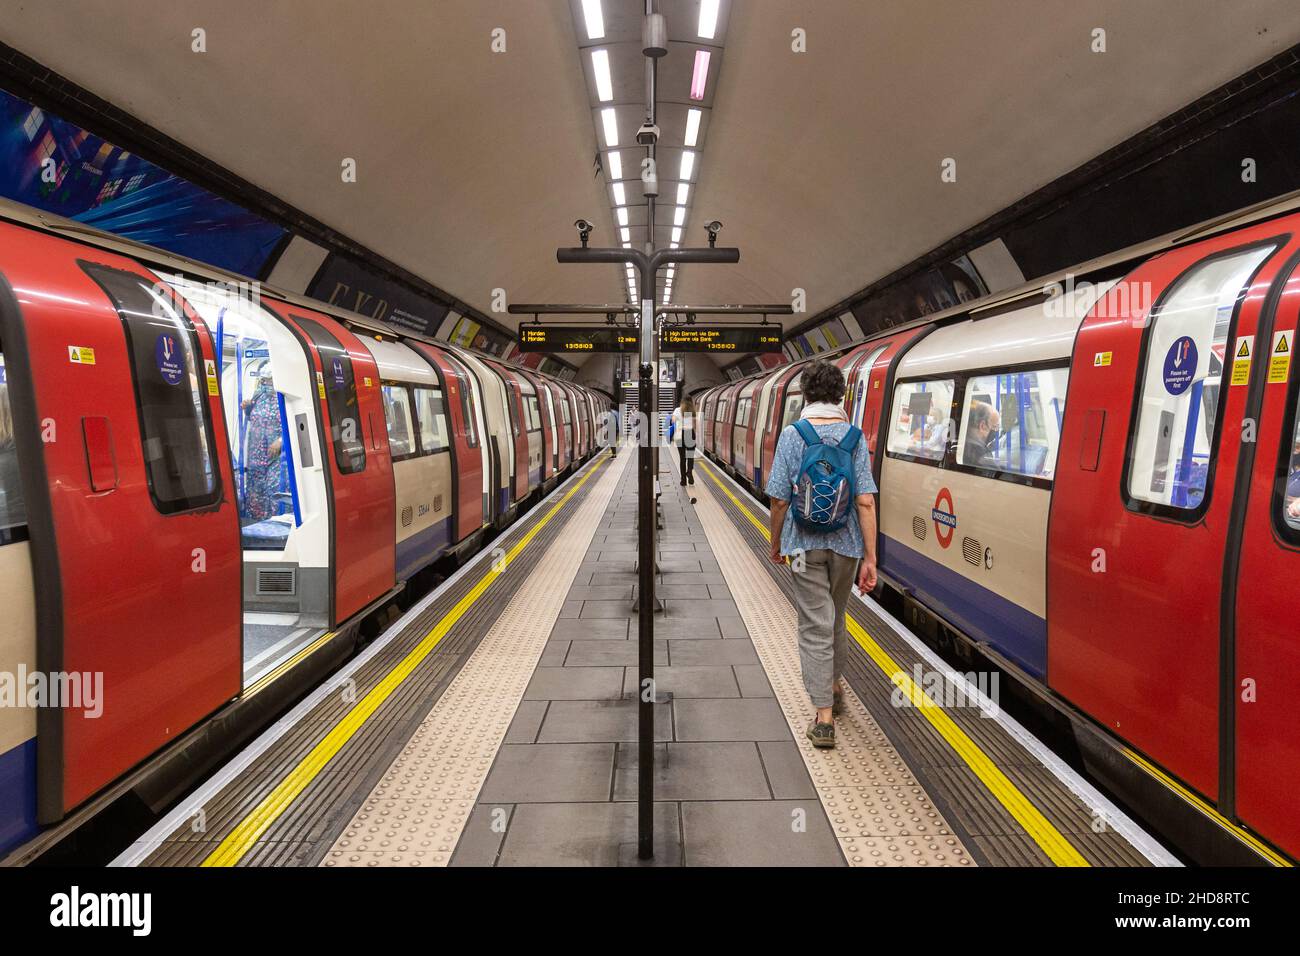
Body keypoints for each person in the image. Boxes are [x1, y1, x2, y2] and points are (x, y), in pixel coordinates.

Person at [765, 360, 877, 750]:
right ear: (841, 396)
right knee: (837, 615)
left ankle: (824, 718)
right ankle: (833, 684)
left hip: (802, 545)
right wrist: (871, 558)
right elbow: (865, 502)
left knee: (815, 623)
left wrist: (775, 543)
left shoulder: (793, 435)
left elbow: (779, 499)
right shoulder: (855, 438)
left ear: (806, 395)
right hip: (846, 547)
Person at [962, 400, 1000, 467]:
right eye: (994, 426)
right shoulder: (984, 458)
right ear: (983, 426)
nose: (996, 430)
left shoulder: (961, 443)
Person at [672, 395, 697, 485]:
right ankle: (689, 472)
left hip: (680, 434)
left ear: (682, 401)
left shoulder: (677, 410)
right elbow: (695, 426)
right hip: (690, 433)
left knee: (682, 458)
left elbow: (673, 421)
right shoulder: (693, 411)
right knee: (690, 456)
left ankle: (683, 481)